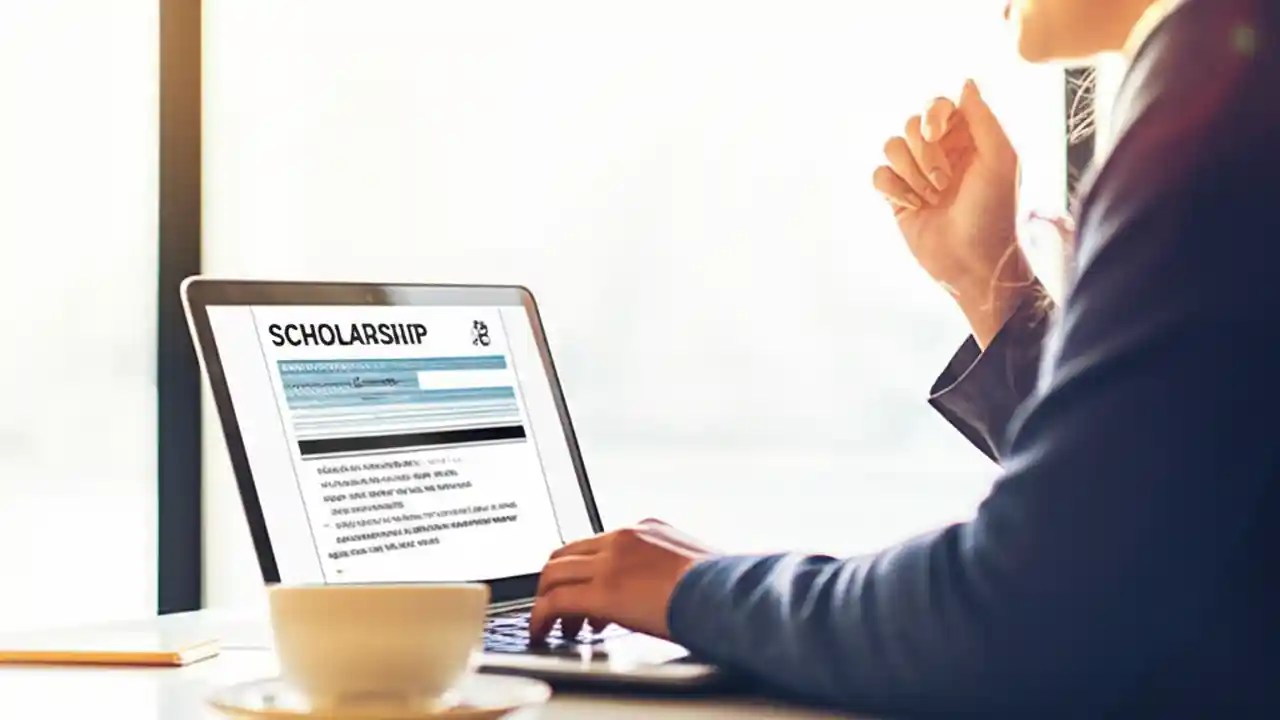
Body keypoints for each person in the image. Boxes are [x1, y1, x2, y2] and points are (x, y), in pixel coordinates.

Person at [529, 0, 1280, 714]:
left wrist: (701, 590)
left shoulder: (1217, 102)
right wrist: (993, 288)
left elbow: (1027, 616)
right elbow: (1159, 520)